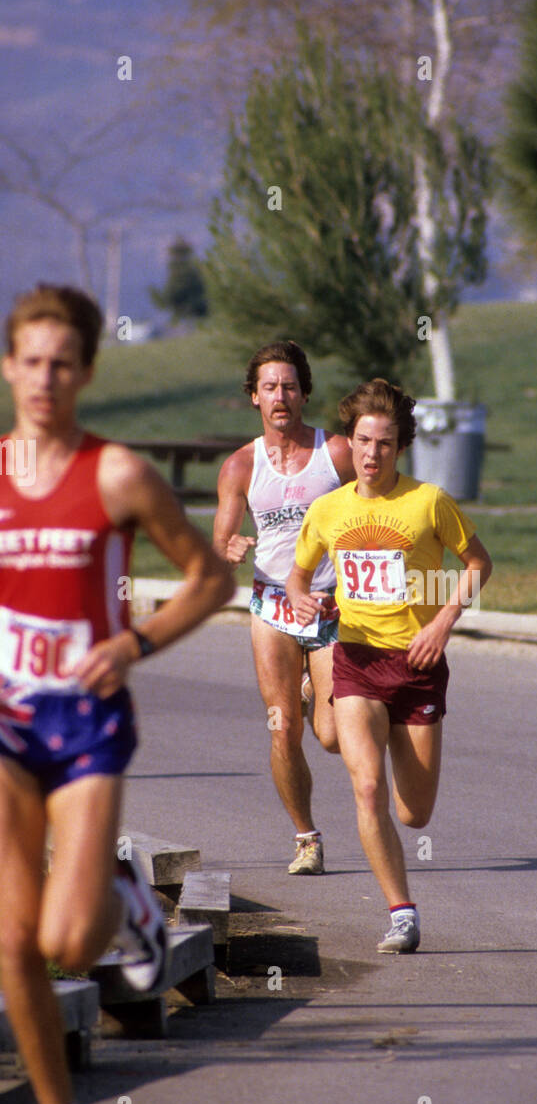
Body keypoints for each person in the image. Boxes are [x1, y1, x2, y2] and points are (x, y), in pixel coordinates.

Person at [0, 283, 234, 1104]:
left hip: (88, 723)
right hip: (11, 721)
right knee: (18, 942)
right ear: (11, 367)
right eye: (30, 361)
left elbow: (209, 578)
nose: (45, 378)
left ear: (88, 371)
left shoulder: (116, 476)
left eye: (63, 363)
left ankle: (129, 902)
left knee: (67, 934)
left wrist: (134, 643)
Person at [287, 379, 492, 953]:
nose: (371, 453)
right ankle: (401, 913)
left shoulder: (429, 503)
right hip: (355, 658)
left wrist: (443, 621)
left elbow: (479, 562)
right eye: (362, 440)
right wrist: (303, 598)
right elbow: (298, 574)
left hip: (418, 665)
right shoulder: (328, 510)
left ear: (399, 448)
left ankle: (314, 693)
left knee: (414, 813)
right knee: (368, 786)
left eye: (384, 443)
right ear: (348, 443)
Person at [214, 341, 355, 876]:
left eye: (290, 386)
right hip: (272, 605)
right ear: (254, 396)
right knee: (281, 728)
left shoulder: (335, 453)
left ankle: (311, 687)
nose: (280, 396)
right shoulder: (241, 466)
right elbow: (221, 539)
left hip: (329, 606)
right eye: (269, 386)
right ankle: (307, 838)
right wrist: (227, 548)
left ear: (304, 393)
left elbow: (374, 511)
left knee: (335, 735)